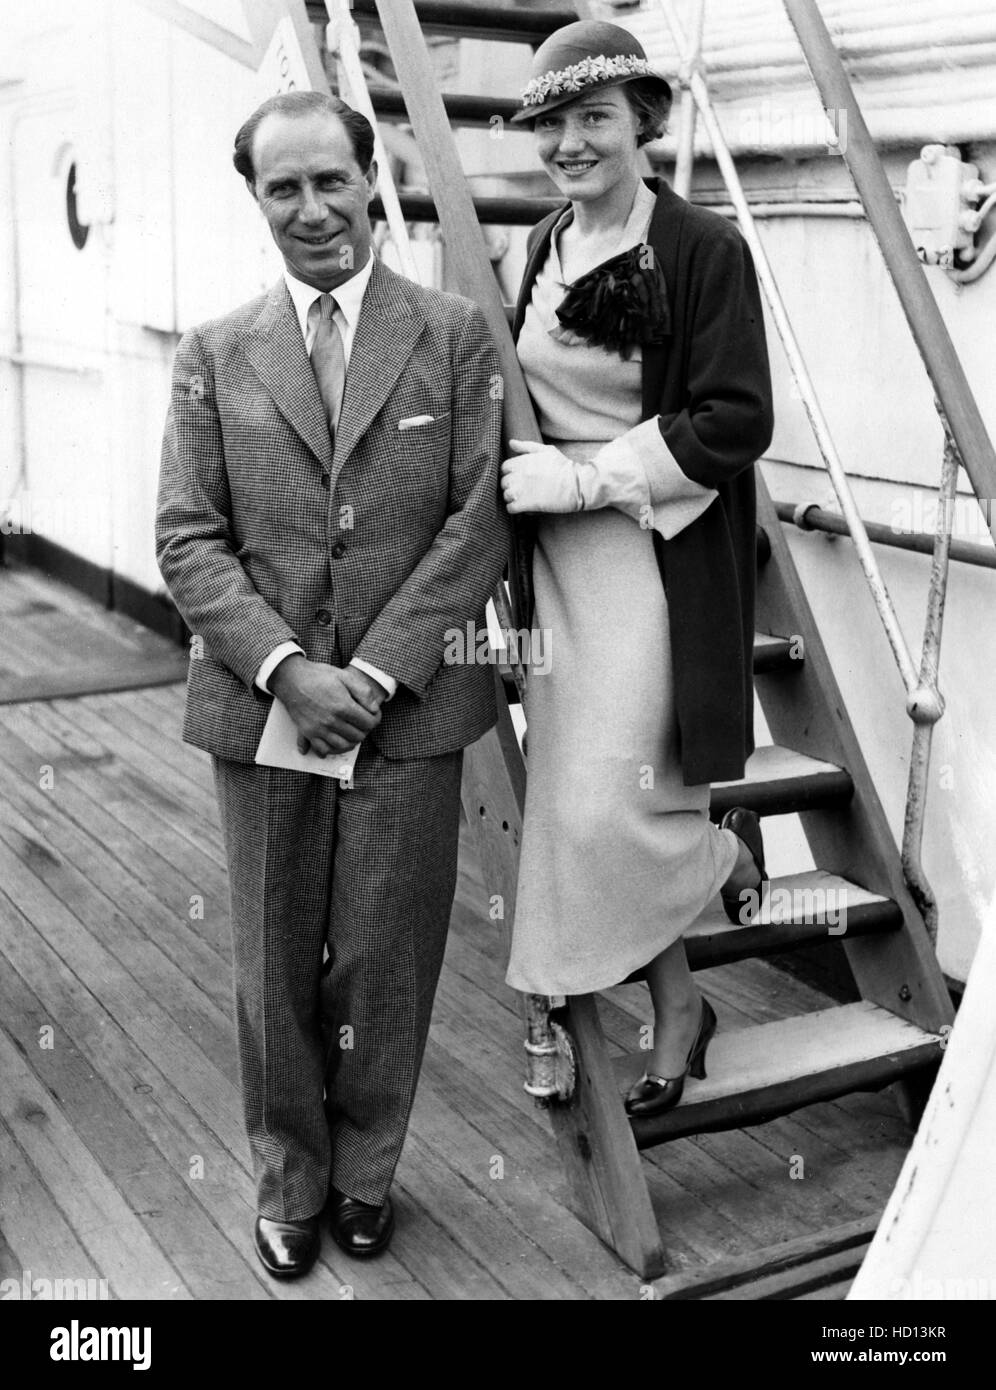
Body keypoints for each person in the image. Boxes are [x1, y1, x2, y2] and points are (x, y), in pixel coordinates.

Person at [156, 90, 508, 1278]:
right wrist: (288, 670)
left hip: (409, 712)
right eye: (283, 188)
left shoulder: (453, 334)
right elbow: (187, 539)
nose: (313, 210)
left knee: (383, 957)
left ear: (373, 177)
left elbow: (479, 522)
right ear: (255, 199)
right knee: (272, 957)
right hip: (263, 712)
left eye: (331, 181)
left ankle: (368, 1175)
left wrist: (370, 671)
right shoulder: (213, 353)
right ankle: (289, 1182)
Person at [501, 22, 774, 1118]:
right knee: (578, 808)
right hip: (553, 559)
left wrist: (588, 481)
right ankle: (681, 1014)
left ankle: (717, 860)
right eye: (554, 123)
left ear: (644, 122)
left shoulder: (704, 248)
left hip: (654, 555)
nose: (572, 143)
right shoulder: (540, 244)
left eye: (596, 118)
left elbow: (734, 417)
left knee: (610, 803)